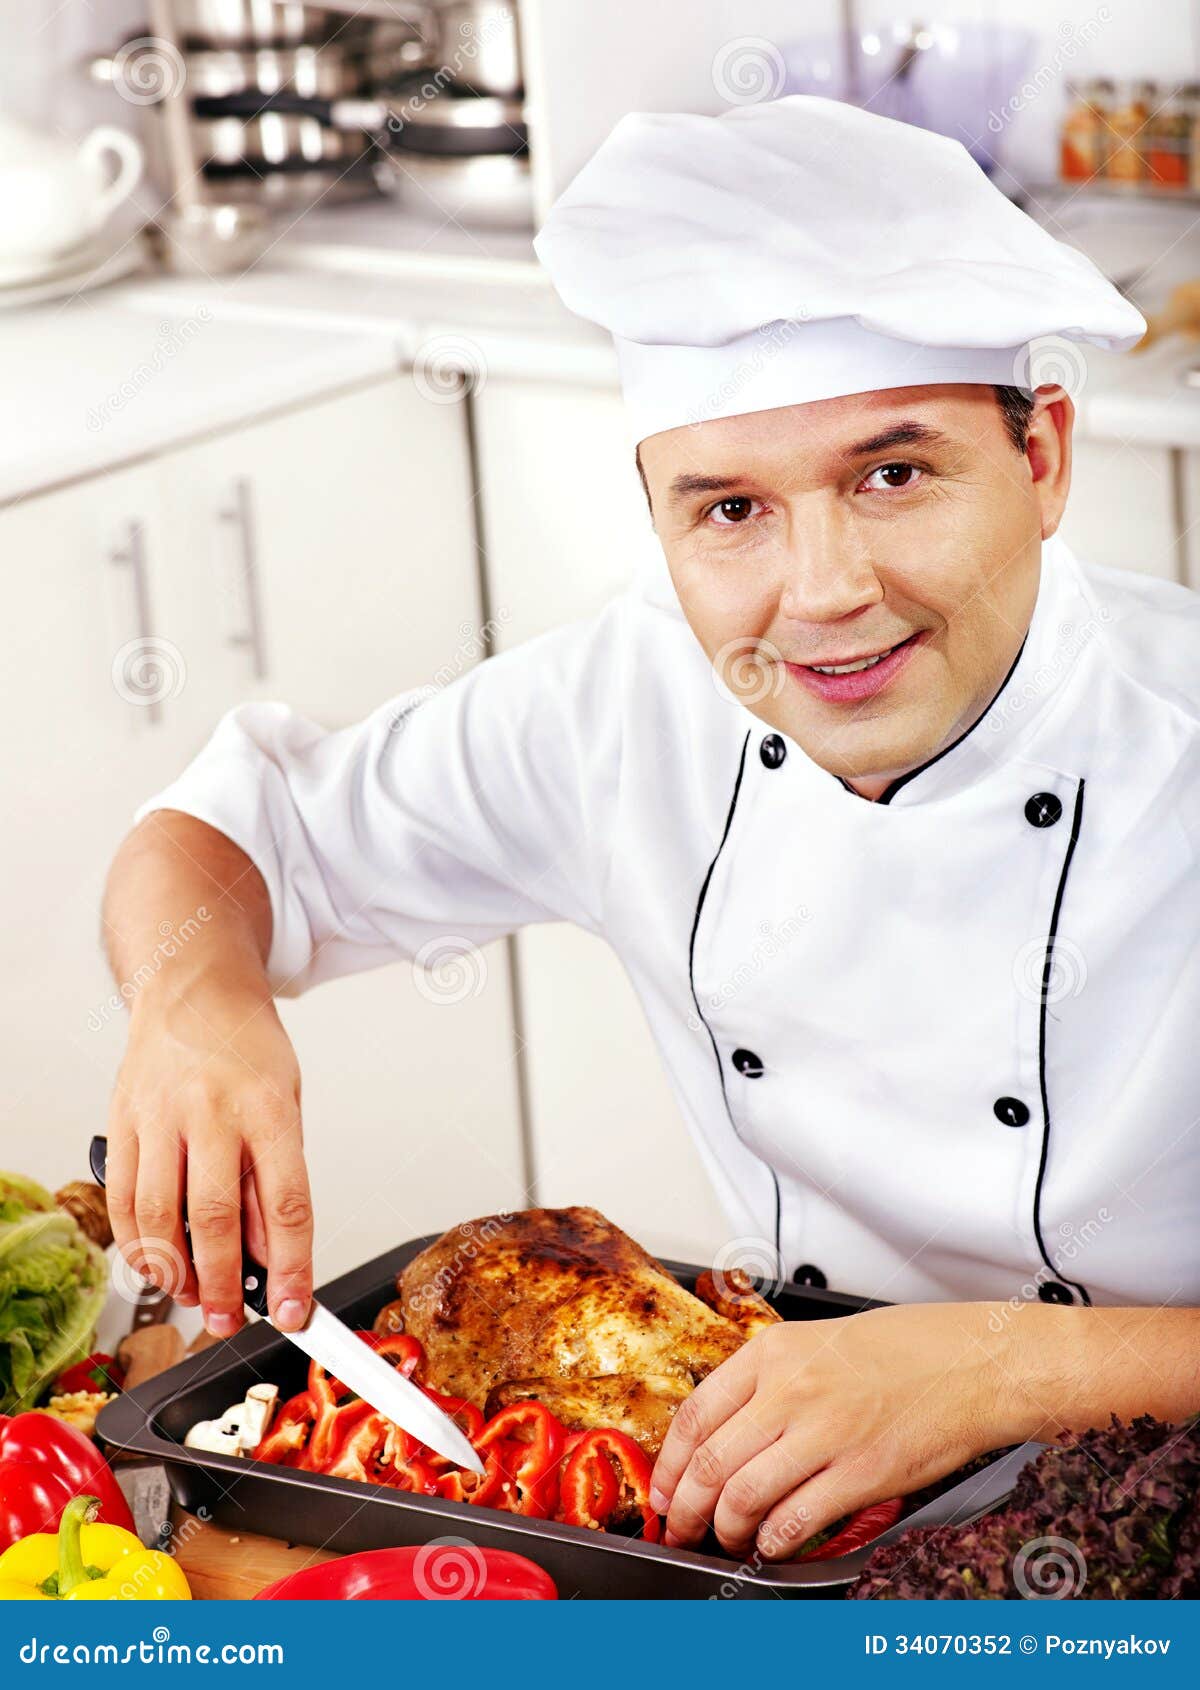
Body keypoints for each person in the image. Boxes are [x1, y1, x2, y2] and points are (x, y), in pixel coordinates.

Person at [102, 97, 1200, 1558]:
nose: (821, 592)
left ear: (1046, 457)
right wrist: (196, 998)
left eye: (894, 474)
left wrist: (995, 1366)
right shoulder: (627, 705)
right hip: (784, 1524)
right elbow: (225, 839)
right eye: (731, 509)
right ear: (658, 516)